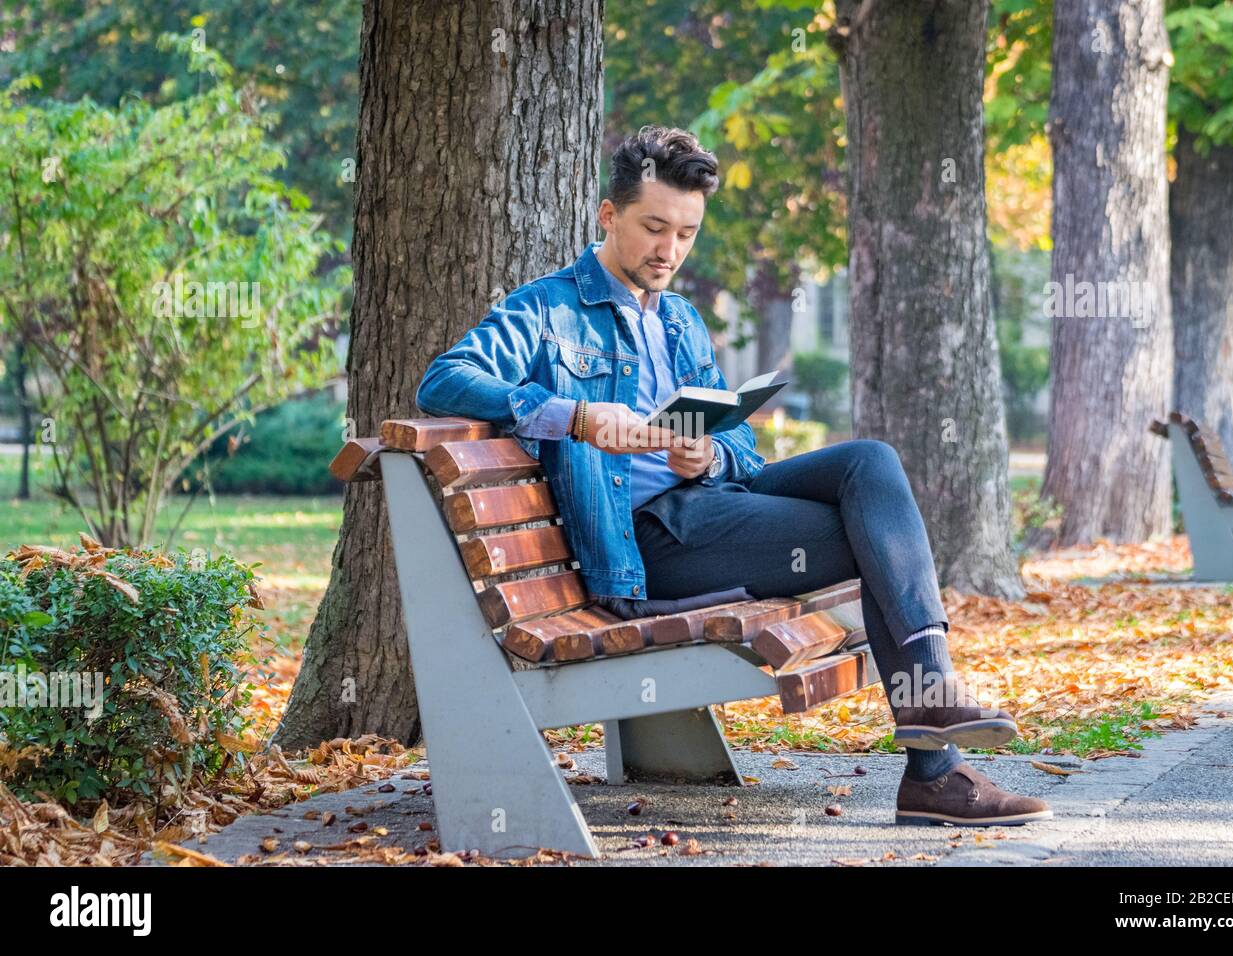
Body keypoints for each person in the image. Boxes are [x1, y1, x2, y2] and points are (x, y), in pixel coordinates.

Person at [417, 125, 1051, 827]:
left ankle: (933, 700)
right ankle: (934, 768)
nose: (669, 251)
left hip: (713, 500)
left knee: (870, 462)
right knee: (875, 540)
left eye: (686, 234)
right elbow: (443, 380)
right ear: (607, 216)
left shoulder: (683, 321)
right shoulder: (547, 310)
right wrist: (575, 416)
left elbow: (738, 442)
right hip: (648, 542)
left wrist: (712, 454)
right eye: (654, 228)